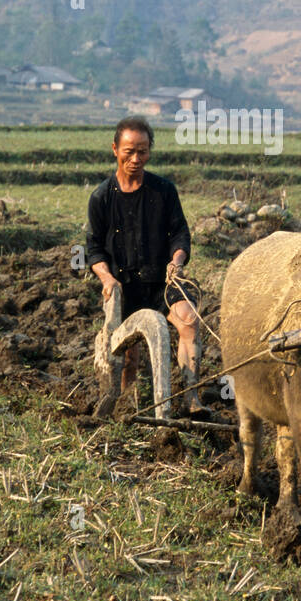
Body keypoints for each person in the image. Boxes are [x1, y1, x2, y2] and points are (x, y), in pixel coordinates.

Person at [86, 116, 204, 414]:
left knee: (189, 321)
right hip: (124, 289)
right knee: (129, 359)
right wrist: (107, 279)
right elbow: (93, 249)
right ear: (115, 149)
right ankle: (129, 405)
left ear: (150, 151)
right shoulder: (101, 197)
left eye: (143, 151)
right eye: (129, 151)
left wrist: (176, 262)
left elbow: (180, 233)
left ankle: (191, 396)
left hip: (161, 284)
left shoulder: (163, 191)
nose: (136, 158)